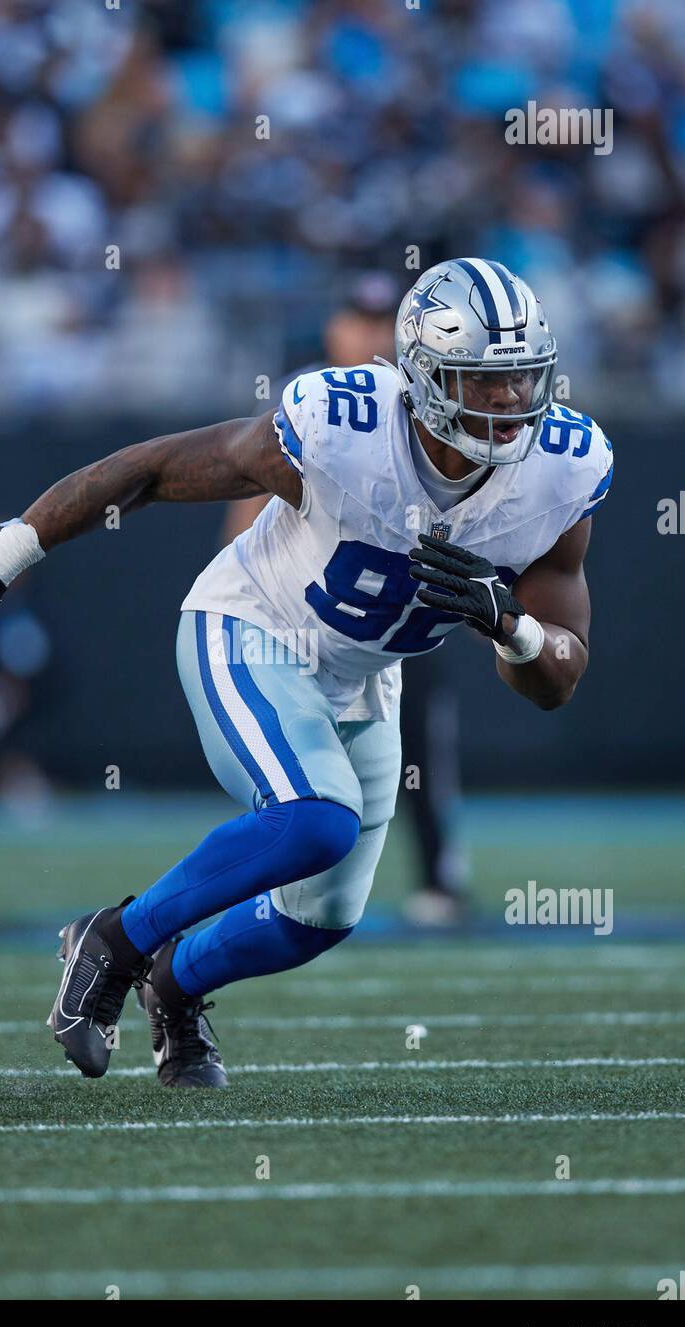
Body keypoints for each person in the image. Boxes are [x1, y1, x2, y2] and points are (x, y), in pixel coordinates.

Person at [0, 257, 613, 1088]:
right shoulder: (342, 425)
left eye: (519, 379)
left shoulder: (564, 467)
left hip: (364, 677)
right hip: (252, 628)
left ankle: (174, 985)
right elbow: (154, 469)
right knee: (318, 821)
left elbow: (557, 678)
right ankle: (113, 940)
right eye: (480, 380)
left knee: (322, 918)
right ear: (423, 375)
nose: (506, 404)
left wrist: (515, 631)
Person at [223, 271, 468, 927]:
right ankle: (276, 884)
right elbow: (248, 504)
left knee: (417, 747)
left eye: (379, 322)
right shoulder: (310, 400)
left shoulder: (427, 400)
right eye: (356, 320)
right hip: (314, 615)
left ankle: (441, 875)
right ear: (335, 327)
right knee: (290, 747)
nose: (365, 335)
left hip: (401, 609)